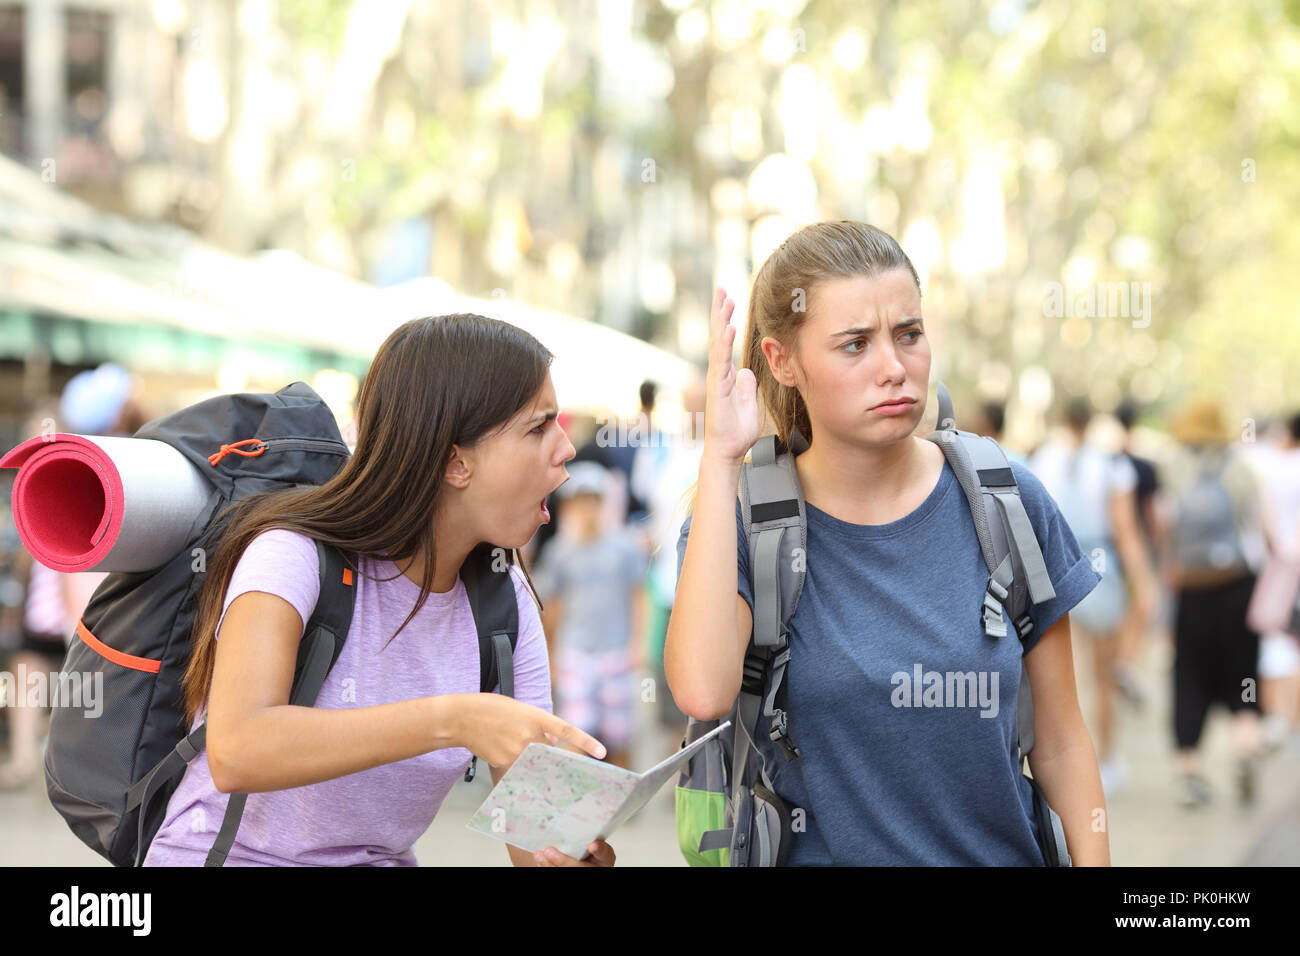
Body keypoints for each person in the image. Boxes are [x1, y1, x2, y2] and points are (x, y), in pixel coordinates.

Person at [667, 221, 1111, 865]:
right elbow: (703, 693)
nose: (894, 368)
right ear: (782, 361)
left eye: (909, 334)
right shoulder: (742, 524)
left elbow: (1063, 741)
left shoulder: (1008, 502)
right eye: (854, 345)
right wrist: (720, 458)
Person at [143, 314, 615, 866]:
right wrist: (457, 720)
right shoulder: (291, 556)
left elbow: (535, 844)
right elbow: (237, 748)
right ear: (455, 461)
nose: (566, 449)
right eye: (538, 429)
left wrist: (572, 855)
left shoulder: (505, 606)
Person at [1029, 400, 1158, 796]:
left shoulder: (1041, 461)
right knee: (1103, 677)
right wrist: (1144, 583)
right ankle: (1106, 760)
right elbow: (1126, 532)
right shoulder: (1110, 466)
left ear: (1064, 419)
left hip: (1051, 570)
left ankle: (1058, 767)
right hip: (1098, 569)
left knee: (1056, 680)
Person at [1160, 399, 1266, 807]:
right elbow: (1257, 528)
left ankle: (1189, 770)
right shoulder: (1242, 472)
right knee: (1243, 673)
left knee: (1189, 674)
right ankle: (1246, 745)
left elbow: (1165, 529)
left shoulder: (1176, 469)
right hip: (1237, 586)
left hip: (1193, 590)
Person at [532, 461, 647, 769]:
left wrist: (638, 643)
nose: (586, 508)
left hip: (615, 651)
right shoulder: (559, 552)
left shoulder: (625, 547)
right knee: (575, 729)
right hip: (575, 652)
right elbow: (552, 607)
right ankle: (579, 799)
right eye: (578, 501)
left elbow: (638, 596)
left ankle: (625, 796)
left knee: (619, 732)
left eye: (592, 500)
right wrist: (551, 655)